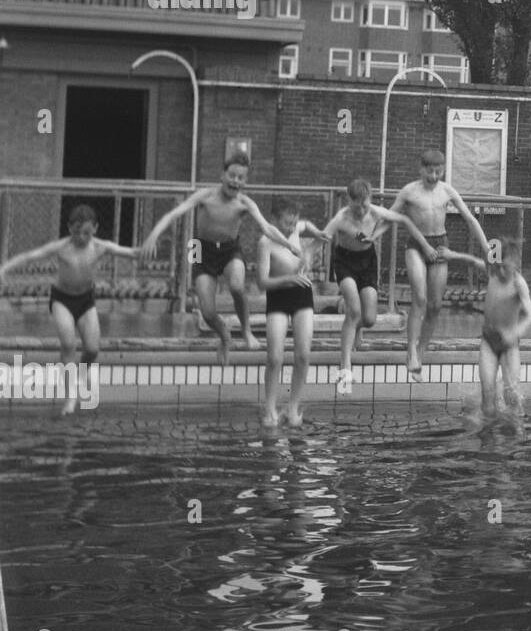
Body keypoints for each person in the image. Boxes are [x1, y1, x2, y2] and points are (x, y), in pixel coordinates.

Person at [141, 151, 299, 365]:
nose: (235, 181)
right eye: (232, 175)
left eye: (241, 178)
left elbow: (266, 227)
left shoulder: (244, 203)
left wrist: (288, 244)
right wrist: (153, 234)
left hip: (230, 249)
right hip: (199, 248)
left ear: (245, 181)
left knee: (236, 286)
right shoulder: (204, 196)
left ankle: (246, 331)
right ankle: (223, 334)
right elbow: (175, 213)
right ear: (222, 176)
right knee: (206, 311)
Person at [0, 204, 138, 414]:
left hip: (86, 300)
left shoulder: (101, 247)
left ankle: (79, 376)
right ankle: (70, 397)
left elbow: (129, 252)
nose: (81, 237)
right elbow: (30, 256)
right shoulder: (62, 247)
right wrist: (4, 269)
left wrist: (143, 251)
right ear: (69, 228)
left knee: (92, 349)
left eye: (86, 233)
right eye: (76, 232)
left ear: (95, 229)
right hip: (62, 299)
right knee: (68, 344)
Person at [320, 178, 440, 380]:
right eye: (357, 206)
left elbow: (405, 220)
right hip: (344, 262)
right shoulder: (341, 218)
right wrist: (304, 259)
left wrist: (426, 246)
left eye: (365, 205)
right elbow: (323, 237)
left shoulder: (376, 212)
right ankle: (345, 365)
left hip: (367, 262)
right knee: (354, 310)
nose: (361, 211)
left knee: (369, 319)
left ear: (370, 200)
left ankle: (355, 330)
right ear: (349, 201)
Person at [390, 148, 491, 376]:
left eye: (438, 172)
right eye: (429, 172)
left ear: (443, 170)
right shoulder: (409, 191)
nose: (434, 177)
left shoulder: (447, 191)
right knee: (421, 298)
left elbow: (469, 218)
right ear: (421, 169)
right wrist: (367, 237)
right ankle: (411, 352)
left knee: (435, 305)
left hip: (440, 244)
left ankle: (421, 352)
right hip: (416, 246)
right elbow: (390, 217)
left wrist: (486, 247)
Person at [257, 200, 329, 428]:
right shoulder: (265, 243)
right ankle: (270, 408)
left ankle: (293, 406)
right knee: (274, 357)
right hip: (278, 295)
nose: (291, 228)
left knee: (303, 355)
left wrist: (316, 231)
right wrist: (289, 278)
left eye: (293, 223)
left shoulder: (297, 228)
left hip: (302, 295)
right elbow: (261, 283)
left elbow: (305, 225)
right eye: (287, 224)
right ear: (274, 221)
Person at [450, 237, 531, 419]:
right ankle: (488, 440)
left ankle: (516, 433)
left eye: (506, 267)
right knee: (487, 397)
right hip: (488, 340)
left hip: (509, 344)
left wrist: (515, 333)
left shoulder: (519, 284)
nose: (502, 271)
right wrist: (451, 255)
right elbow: (471, 261)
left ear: (515, 264)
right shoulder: (493, 272)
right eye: (499, 266)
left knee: (511, 395)